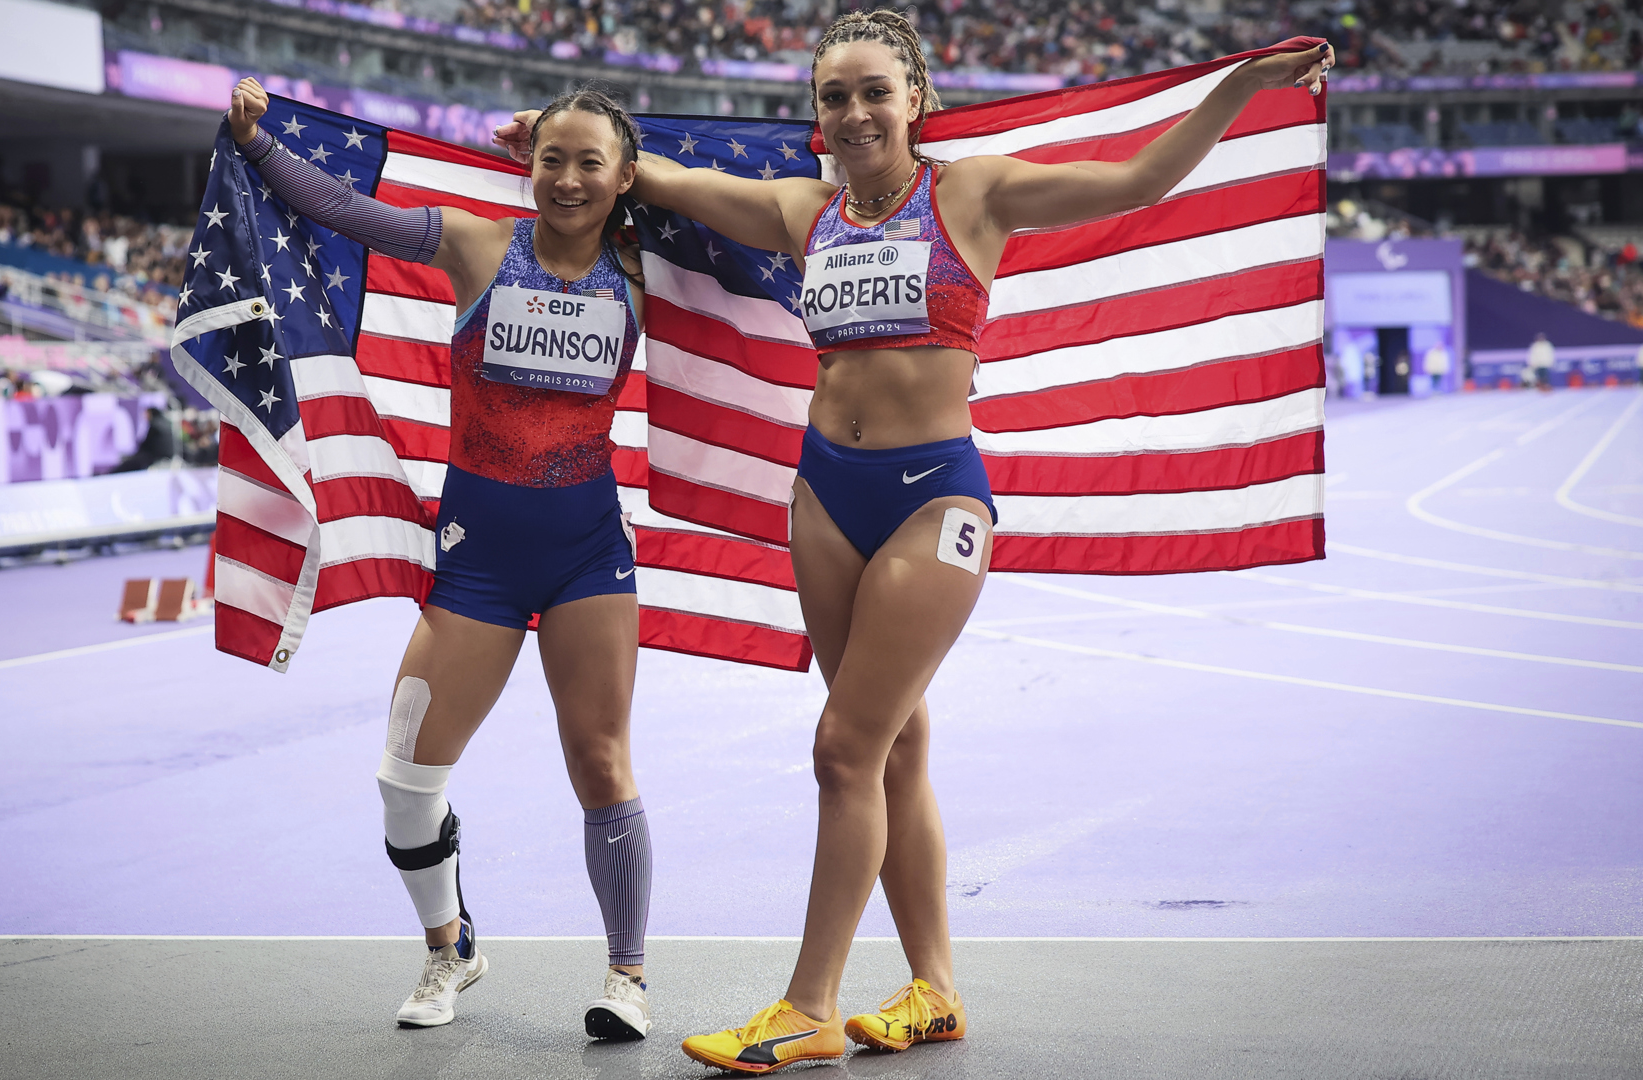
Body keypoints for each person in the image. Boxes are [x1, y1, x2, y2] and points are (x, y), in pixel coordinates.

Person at [501, 18, 1330, 1073]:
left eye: (873, 93)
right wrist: (564, 145)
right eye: (834, 97)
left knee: (843, 749)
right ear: (816, 116)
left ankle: (808, 1006)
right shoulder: (805, 211)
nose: (854, 115)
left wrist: (1243, 86)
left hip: (937, 500)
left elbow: (1138, 179)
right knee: (894, 745)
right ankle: (935, 989)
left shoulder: (972, 195)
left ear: (917, 98)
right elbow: (655, 183)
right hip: (824, 498)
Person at [228, 77, 657, 1040]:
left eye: (592, 162)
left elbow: (730, 215)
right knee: (405, 776)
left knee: (601, 760)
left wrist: (599, 159)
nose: (569, 178)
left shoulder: (643, 266)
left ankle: (628, 975)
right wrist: (259, 149)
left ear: (626, 176)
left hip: (590, 553)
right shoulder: (477, 244)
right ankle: (449, 947)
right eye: (552, 158)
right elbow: (346, 209)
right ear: (528, 165)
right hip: (478, 563)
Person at [107, 405, 176, 472]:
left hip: (156, 457)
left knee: (132, 462)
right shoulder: (166, 423)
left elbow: (147, 445)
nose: (144, 416)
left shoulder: (155, 426)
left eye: (146, 414)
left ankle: (112, 474)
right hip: (166, 455)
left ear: (150, 413)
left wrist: (135, 455)